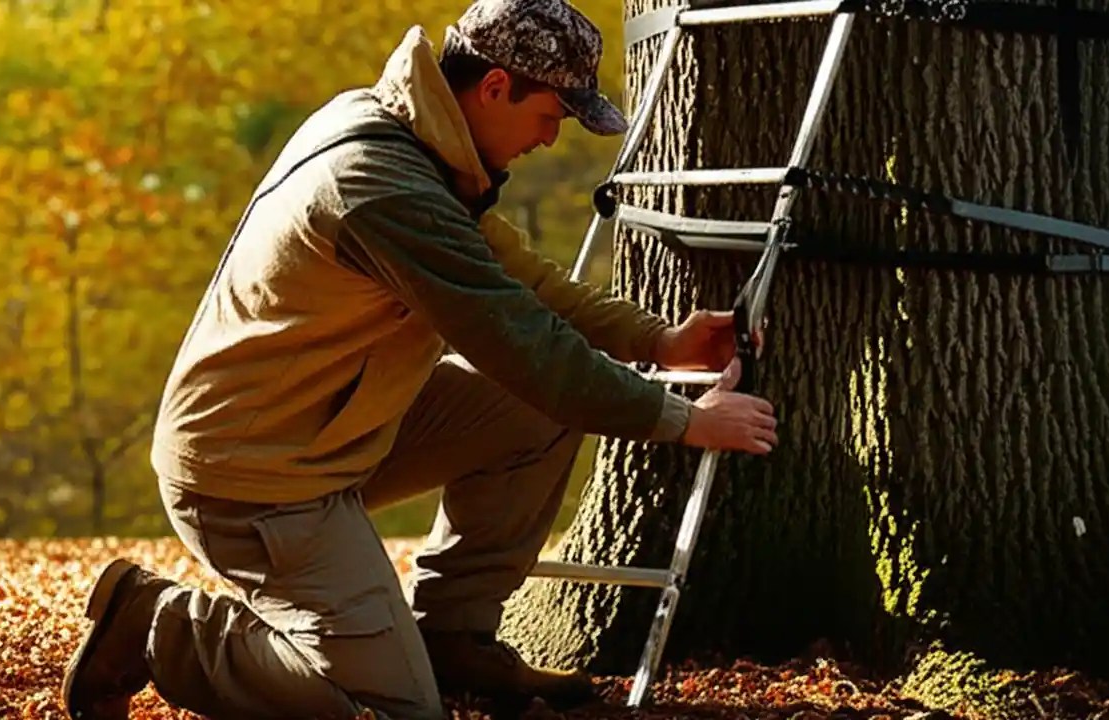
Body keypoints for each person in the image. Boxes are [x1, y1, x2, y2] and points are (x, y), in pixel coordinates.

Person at [60, 0, 777, 717]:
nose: (551, 138)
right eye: (552, 114)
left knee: (532, 416)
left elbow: (522, 284)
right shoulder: (381, 186)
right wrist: (680, 418)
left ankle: (452, 642)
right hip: (254, 477)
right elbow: (521, 343)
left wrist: (657, 341)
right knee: (387, 706)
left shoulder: (413, 142)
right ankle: (156, 626)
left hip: (331, 428)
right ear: (496, 87)